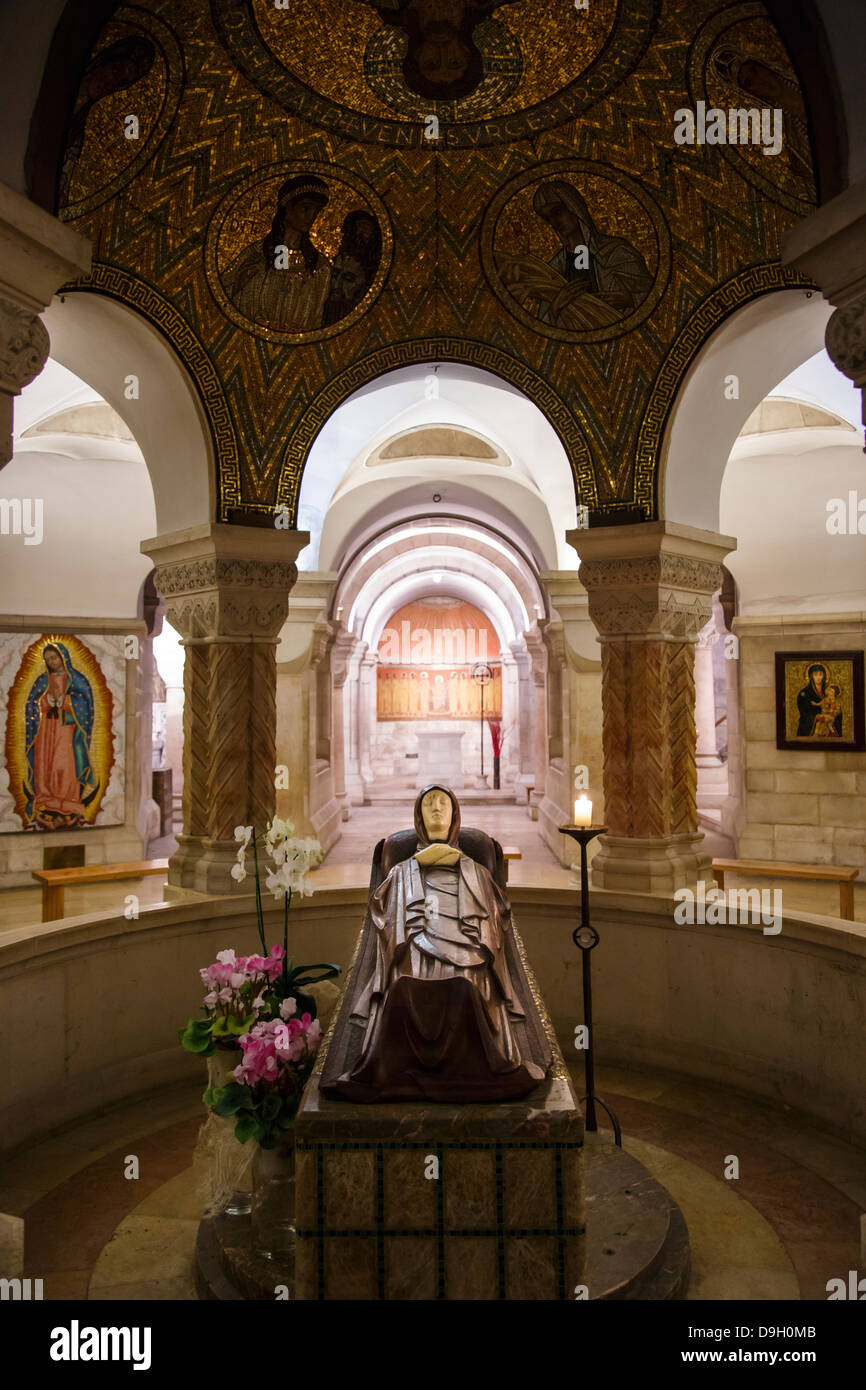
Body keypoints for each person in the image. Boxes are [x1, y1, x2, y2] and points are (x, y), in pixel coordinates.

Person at [331, 784, 546, 1100]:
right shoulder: (401, 872)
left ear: (454, 816)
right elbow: (386, 920)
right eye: (428, 804)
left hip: (468, 953)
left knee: (470, 979)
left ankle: (476, 1064)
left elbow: (492, 925)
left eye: (442, 804)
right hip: (416, 947)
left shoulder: (478, 873)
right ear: (418, 818)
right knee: (407, 977)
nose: (435, 809)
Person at [499, 180, 653, 331]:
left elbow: (653, 298)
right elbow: (545, 326)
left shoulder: (617, 252)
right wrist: (556, 306)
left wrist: (631, 300)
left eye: (557, 212)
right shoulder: (553, 268)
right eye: (548, 218)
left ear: (573, 207)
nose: (554, 222)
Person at [223, 174, 333, 332]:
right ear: (287, 208)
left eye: (316, 212)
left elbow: (316, 318)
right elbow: (228, 292)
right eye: (305, 209)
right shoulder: (256, 254)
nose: (311, 217)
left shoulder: (319, 266)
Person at [23, 643, 99, 829]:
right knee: (45, 763)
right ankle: (46, 799)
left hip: (67, 729)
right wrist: (45, 701)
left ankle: (68, 800)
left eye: (54, 658)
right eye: (48, 659)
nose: (52, 662)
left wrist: (67, 701)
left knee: (64, 764)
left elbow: (86, 704)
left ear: (63, 657)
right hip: (46, 730)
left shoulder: (77, 680)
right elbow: (32, 703)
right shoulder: (42, 680)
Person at [796, 663, 833, 737]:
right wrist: (818, 717)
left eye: (820, 674)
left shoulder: (829, 691)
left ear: (824, 676)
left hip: (828, 726)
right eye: (815, 675)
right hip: (810, 728)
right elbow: (804, 713)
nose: (818, 677)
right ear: (811, 676)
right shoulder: (804, 693)